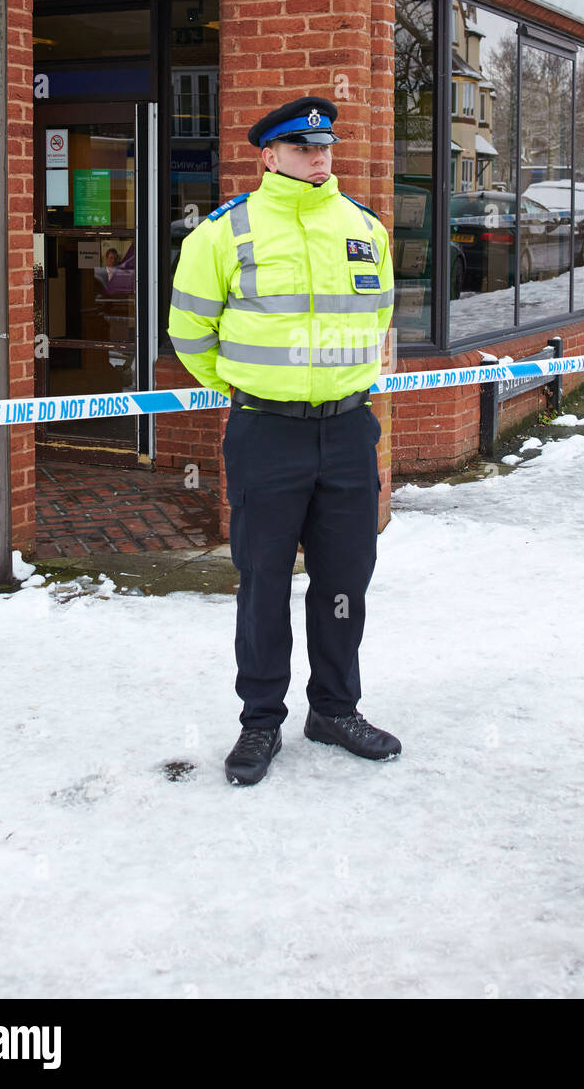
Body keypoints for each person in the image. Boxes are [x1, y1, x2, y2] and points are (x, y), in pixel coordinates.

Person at [168, 96, 401, 785]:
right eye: (303, 148)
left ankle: (333, 708)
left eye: (325, 147)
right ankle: (260, 722)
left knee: (343, 581)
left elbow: (380, 318)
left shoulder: (364, 228)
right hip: (265, 432)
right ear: (268, 155)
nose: (319, 157)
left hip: (350, 429)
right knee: (264, 580)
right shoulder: (221, 234)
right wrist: (253, 389)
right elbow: (189, 335)